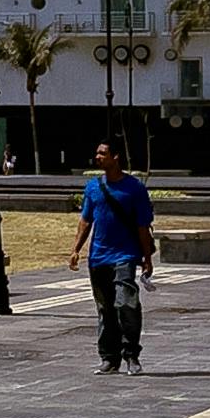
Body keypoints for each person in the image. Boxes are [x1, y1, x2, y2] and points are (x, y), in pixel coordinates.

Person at [70, 135, 157, 372]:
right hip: (98, 257)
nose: (97, 157)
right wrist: (76, 249)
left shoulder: (134, 189)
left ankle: (131, 355)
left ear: (115, 157)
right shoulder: (93, 187)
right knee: (105, 309)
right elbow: (85, 221)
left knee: (126, 304)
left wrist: (147, 258)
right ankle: (109, 357)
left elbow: (142, 226)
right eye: (97, 153)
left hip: (125, 256)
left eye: (102, 153)